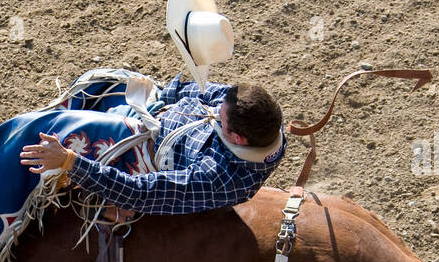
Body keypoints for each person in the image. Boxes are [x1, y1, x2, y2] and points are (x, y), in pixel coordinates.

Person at [19, 76, 285, 214]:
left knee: (66, 129)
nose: (214, 111)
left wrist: (69, 161)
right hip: (154, 111)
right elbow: (207, 92)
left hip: (144, 148)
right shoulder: (258, 116)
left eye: (221, 117)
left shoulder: (217, 176)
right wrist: (161, 96)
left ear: (238, 139)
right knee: (99, 81)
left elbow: (139, 193)